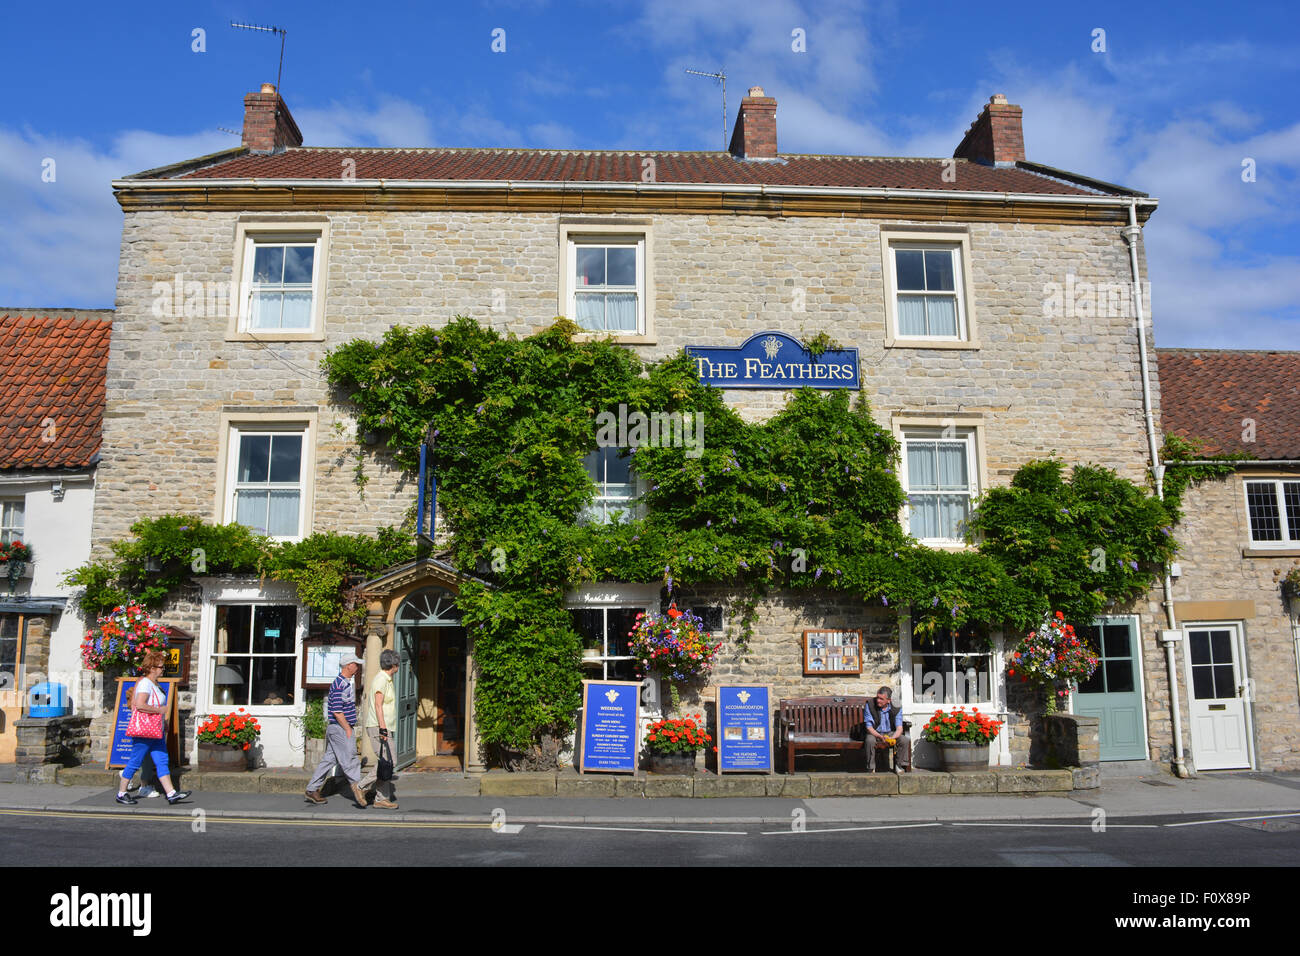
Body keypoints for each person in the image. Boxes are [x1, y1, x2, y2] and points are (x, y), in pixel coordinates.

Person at [115, 650, 191, 805]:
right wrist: (160, 711)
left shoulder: (155, 684)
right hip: (144, 731)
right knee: (135, 761)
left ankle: (171, 793)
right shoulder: (145, 683)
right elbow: (140, 705)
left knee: (162, 760)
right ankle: (121, 793)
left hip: (155, 730)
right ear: (151, 668)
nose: (163, 669)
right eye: (160, 667)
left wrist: (164, 722)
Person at [305, 653, 369, 807]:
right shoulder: (340, 684)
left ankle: (312, 789)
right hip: (340, 727)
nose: (357, 667)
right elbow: (336, 710)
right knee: (351, 758)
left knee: (329, 760)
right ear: (349, 666)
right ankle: (359, 788)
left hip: (338, 727)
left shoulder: (345, 683)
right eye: (355, 664)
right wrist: (347, 729)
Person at [358, 648, 401, 809]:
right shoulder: (381, 680)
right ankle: (361, 786)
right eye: (398, 663)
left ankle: (381, 798)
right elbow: (378, 705)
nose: (399, 666)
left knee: (386, 763)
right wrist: (383, 728)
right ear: (394, 664)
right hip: (378, 727)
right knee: (389, 762)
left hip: (383, 726)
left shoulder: (386, 679)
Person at [864, 686, 911, 773]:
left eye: (881, 699)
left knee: (904, 740)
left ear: (888, 700)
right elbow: (869, 727)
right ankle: (871, 767)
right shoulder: (870, 704)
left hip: (890, 733)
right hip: (875, 733)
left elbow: (899, 728)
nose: (878, 700)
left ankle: (899, 765)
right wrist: (879, 736)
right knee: (869, 740)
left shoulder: (896, 707)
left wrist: (892, 737)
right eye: (877, 697)